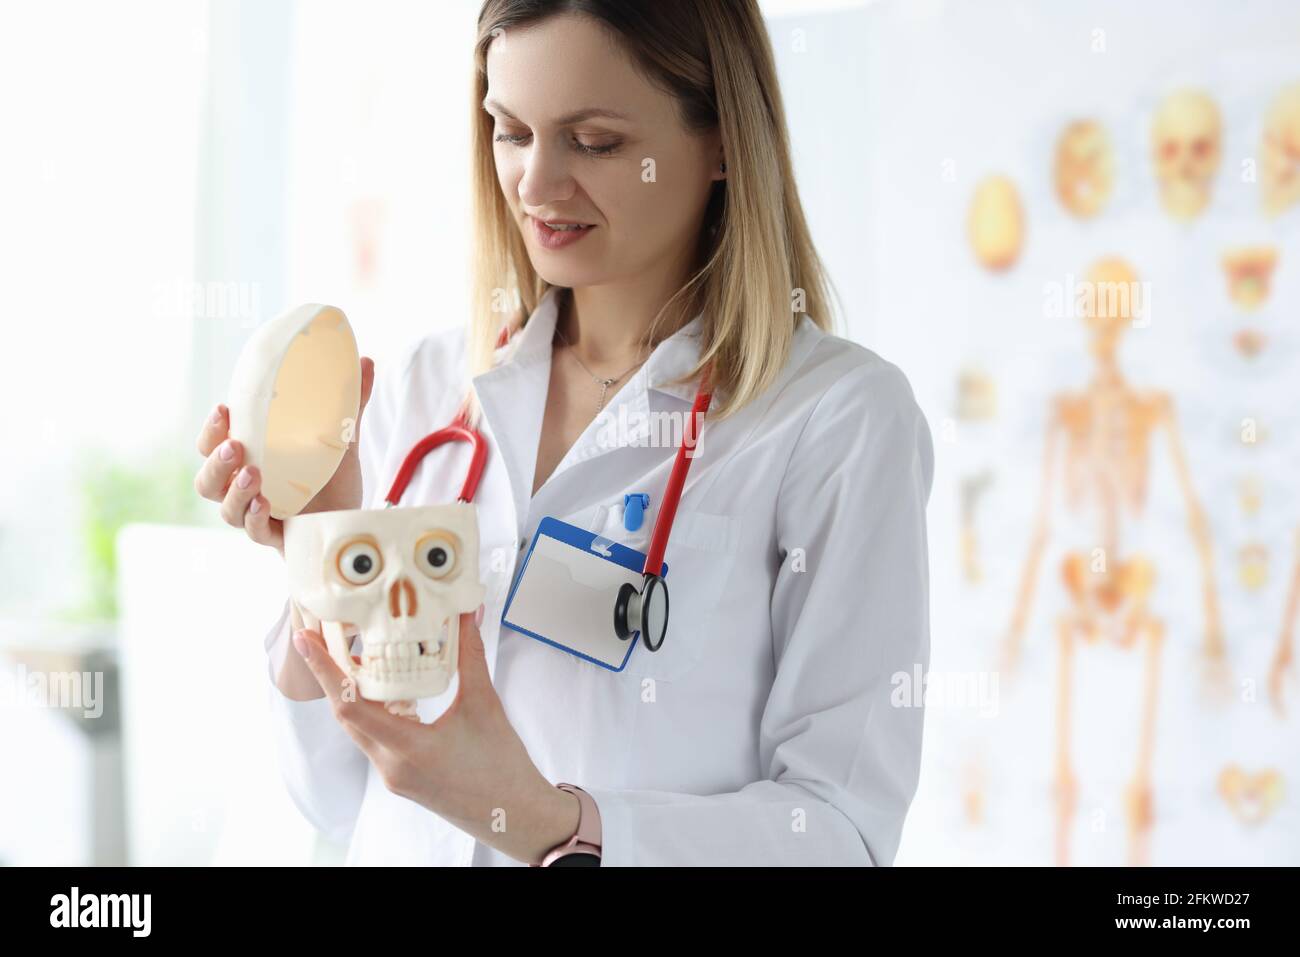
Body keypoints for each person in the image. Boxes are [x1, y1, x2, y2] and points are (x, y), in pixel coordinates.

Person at [193, 0, 933, 866]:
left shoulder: (836, 421)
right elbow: (330, 796)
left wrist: (548, 823)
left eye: (594, 142)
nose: (537, 185)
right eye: (510, 130)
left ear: (727, 140)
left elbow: (840, 832)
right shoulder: (424, 389)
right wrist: (323, 551)